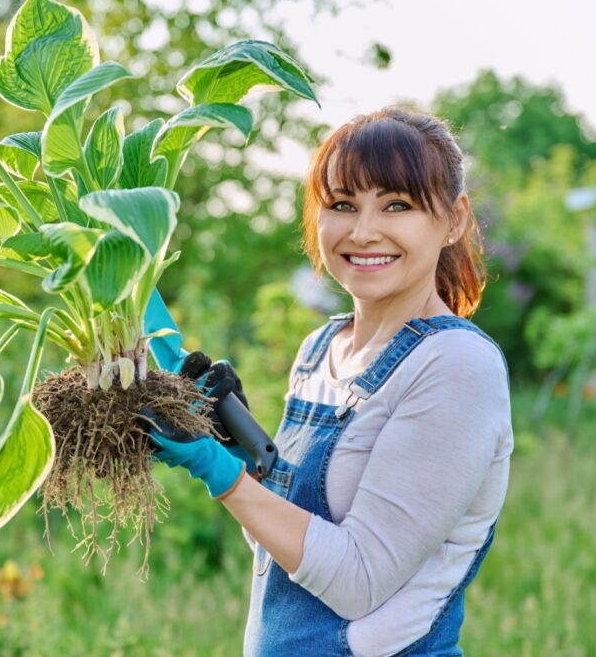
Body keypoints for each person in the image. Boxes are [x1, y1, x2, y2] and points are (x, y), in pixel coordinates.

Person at [143, 106, 514, 656]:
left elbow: (357, 580)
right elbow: (282, 554)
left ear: (454, 219)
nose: (363, 232)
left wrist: (214, 469)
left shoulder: (455, 365)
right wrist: (239, 452)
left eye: (397, 205)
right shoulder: (321, 349)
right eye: (342, 204)